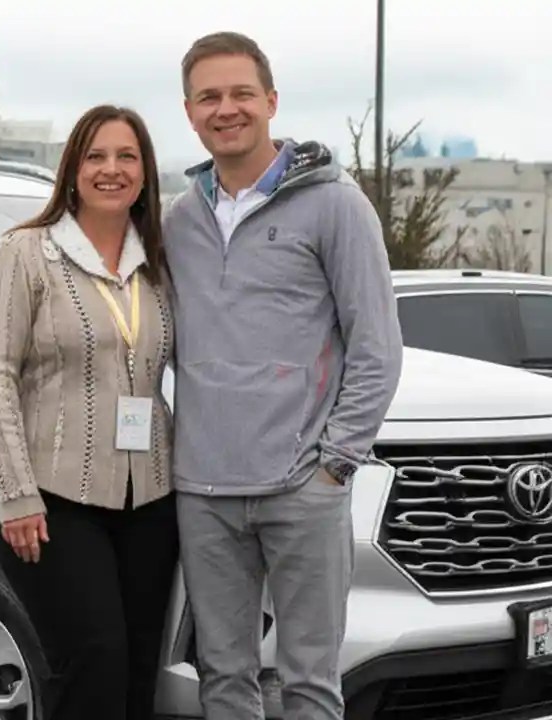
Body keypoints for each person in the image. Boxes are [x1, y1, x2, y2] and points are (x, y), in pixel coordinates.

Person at [163, 31, 403, 720]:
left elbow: (377, 346)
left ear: (271, 101)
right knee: (223, 679)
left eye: (241, 93)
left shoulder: (336, 205)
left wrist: (335, 465)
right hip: (203, 492)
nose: (226, 108)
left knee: (308, 684)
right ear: (189, 111)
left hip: (303, 490)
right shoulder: (180, 221)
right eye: (209, 96)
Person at [0, 104, 177, 719]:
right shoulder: (25, 254)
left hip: (152, 502)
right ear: (72, 169)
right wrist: (15, 493)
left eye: (126, 157)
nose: (111, 169)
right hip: (53, 500)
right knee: (94, 660)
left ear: (145, 172)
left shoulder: (159, 263)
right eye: (96, 156)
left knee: (140, 669)